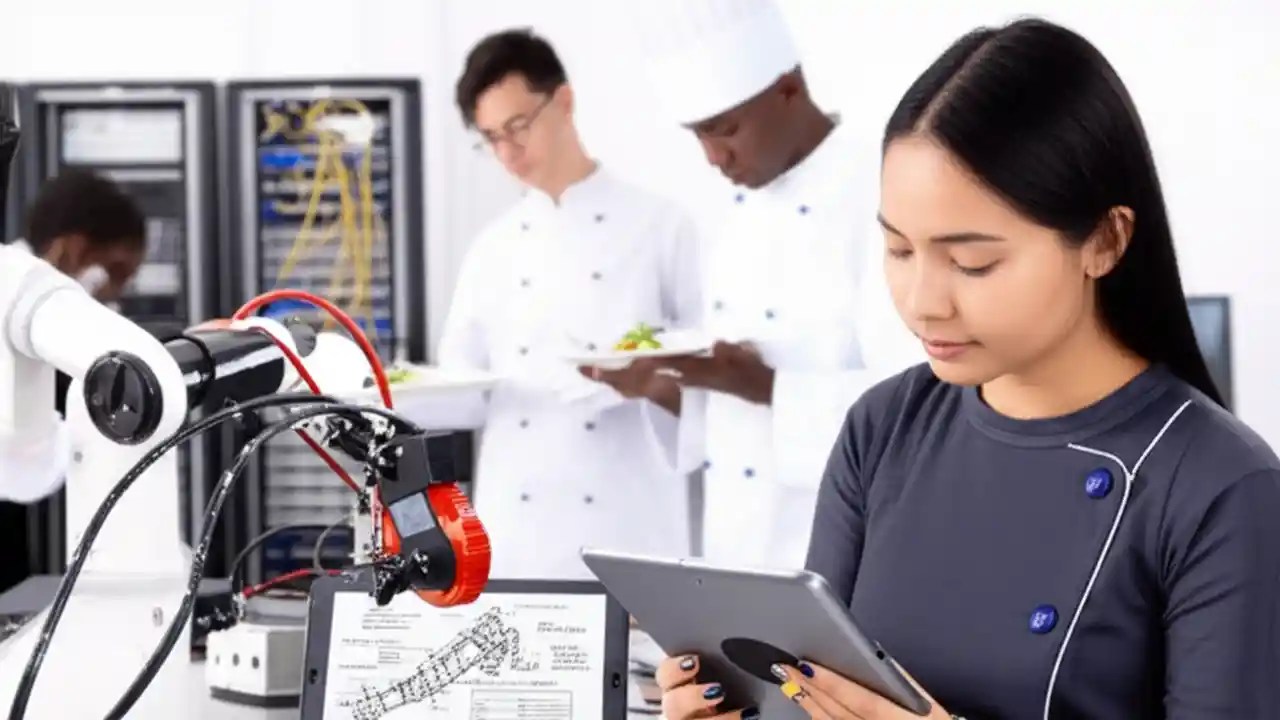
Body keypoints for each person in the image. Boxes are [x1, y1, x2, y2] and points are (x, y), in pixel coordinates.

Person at [654, 17, 1280, 720]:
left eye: (972, 262)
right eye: (897, 251)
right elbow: (811, 698)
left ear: (1104, 241)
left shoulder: (1220, 487)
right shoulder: (883, 429)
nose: (922, 304)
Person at [591, 0, 922, 569]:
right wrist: (665, 388)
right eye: (697, 136)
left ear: (788, 88)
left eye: (725, 130)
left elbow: (920, 403)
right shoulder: (738, 215)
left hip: (841, 551)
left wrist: (764, 385)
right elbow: (733, 421)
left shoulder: (883, 190)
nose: (714, 158)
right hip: (735, 553)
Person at [433, 29, 701, 580]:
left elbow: (707, 384)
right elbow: (456, 389)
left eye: (517, 127)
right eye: (491, 138)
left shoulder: (661, 225)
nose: (508, 152)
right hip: (517, 534)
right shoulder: (492, 247)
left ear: (564, 100)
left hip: (629, 527)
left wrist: (645, 381)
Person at [0, 169, 146, 593]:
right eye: (117, 271)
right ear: (73, 249)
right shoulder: (24, 310)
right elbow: (26, 469)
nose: (117, 291)